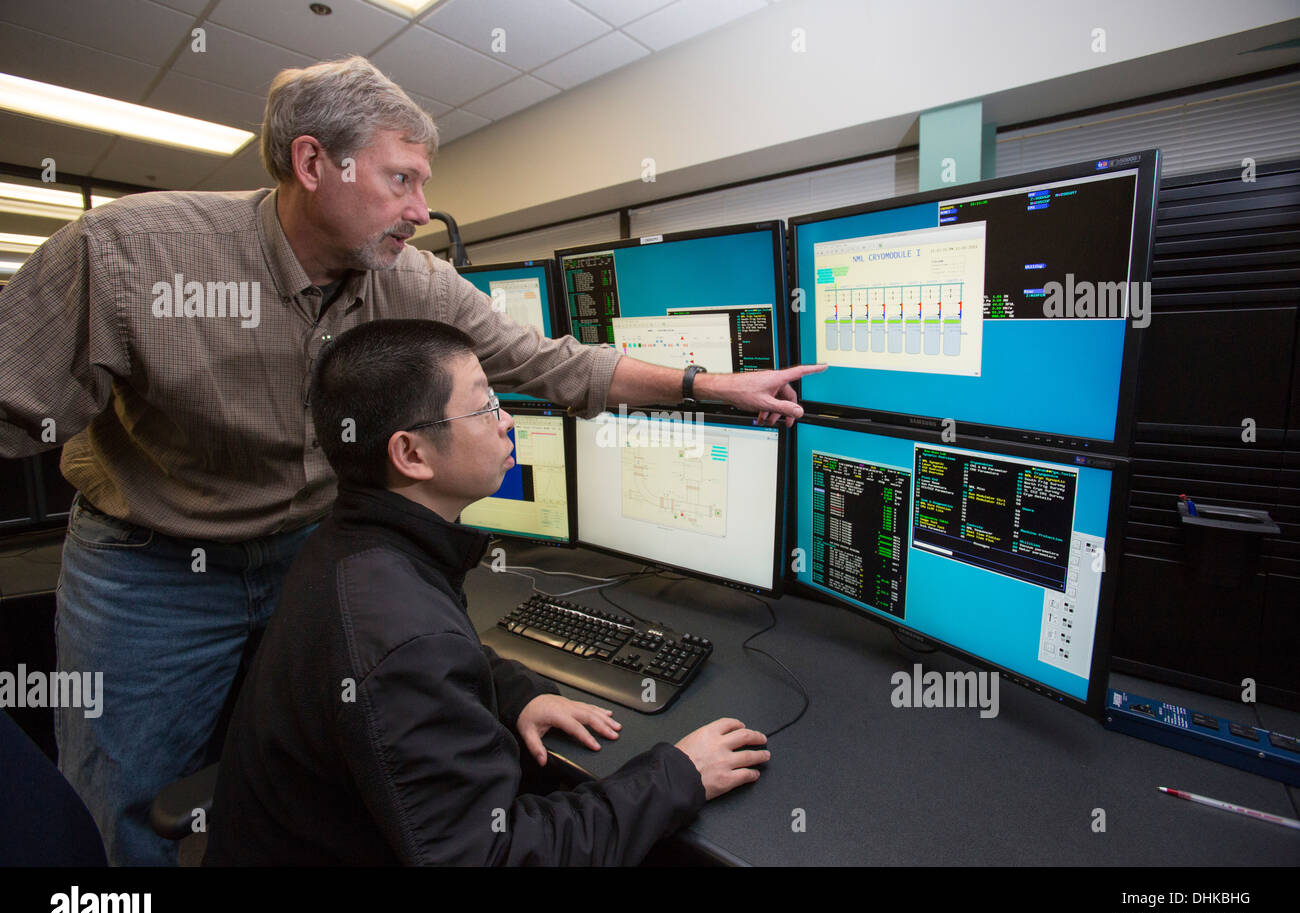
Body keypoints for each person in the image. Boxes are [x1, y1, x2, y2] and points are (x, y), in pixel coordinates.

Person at [0, 55, 819, 865]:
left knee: (297, 755)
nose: (422, 211)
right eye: (402, 181)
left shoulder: (412, 282)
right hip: (153, 560)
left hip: (304, 544)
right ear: (313, 161)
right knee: (125, 800)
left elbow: (549, 363)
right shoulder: (131, 256)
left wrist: (708, 386)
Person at [203, 320, 770, 865]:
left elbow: (429, 660)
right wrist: (676, 775)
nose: (508, 422)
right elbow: (497, 857)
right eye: (484, 406)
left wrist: (516, 694)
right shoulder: (401, 630)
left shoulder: (352, 548)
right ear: (411, 454)